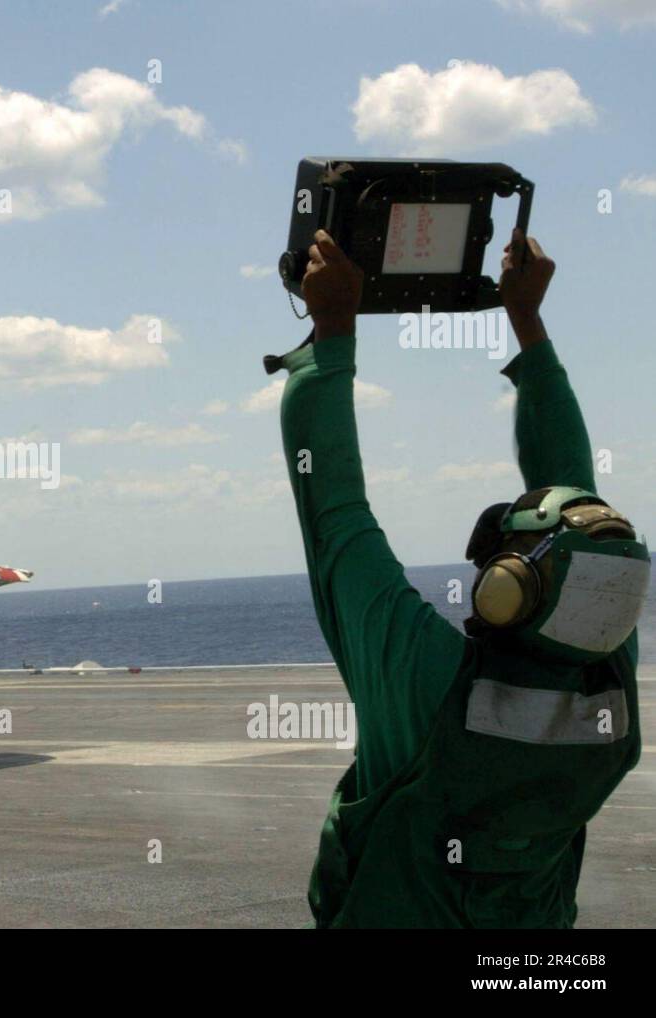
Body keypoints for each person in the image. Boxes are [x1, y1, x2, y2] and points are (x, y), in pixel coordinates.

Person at [274, 227, 650, 927]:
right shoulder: (610, 705)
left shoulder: (430, 687)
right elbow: (573, 490)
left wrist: (330, 336)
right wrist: (528, 325)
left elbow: (334, 512)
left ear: (509, 584)